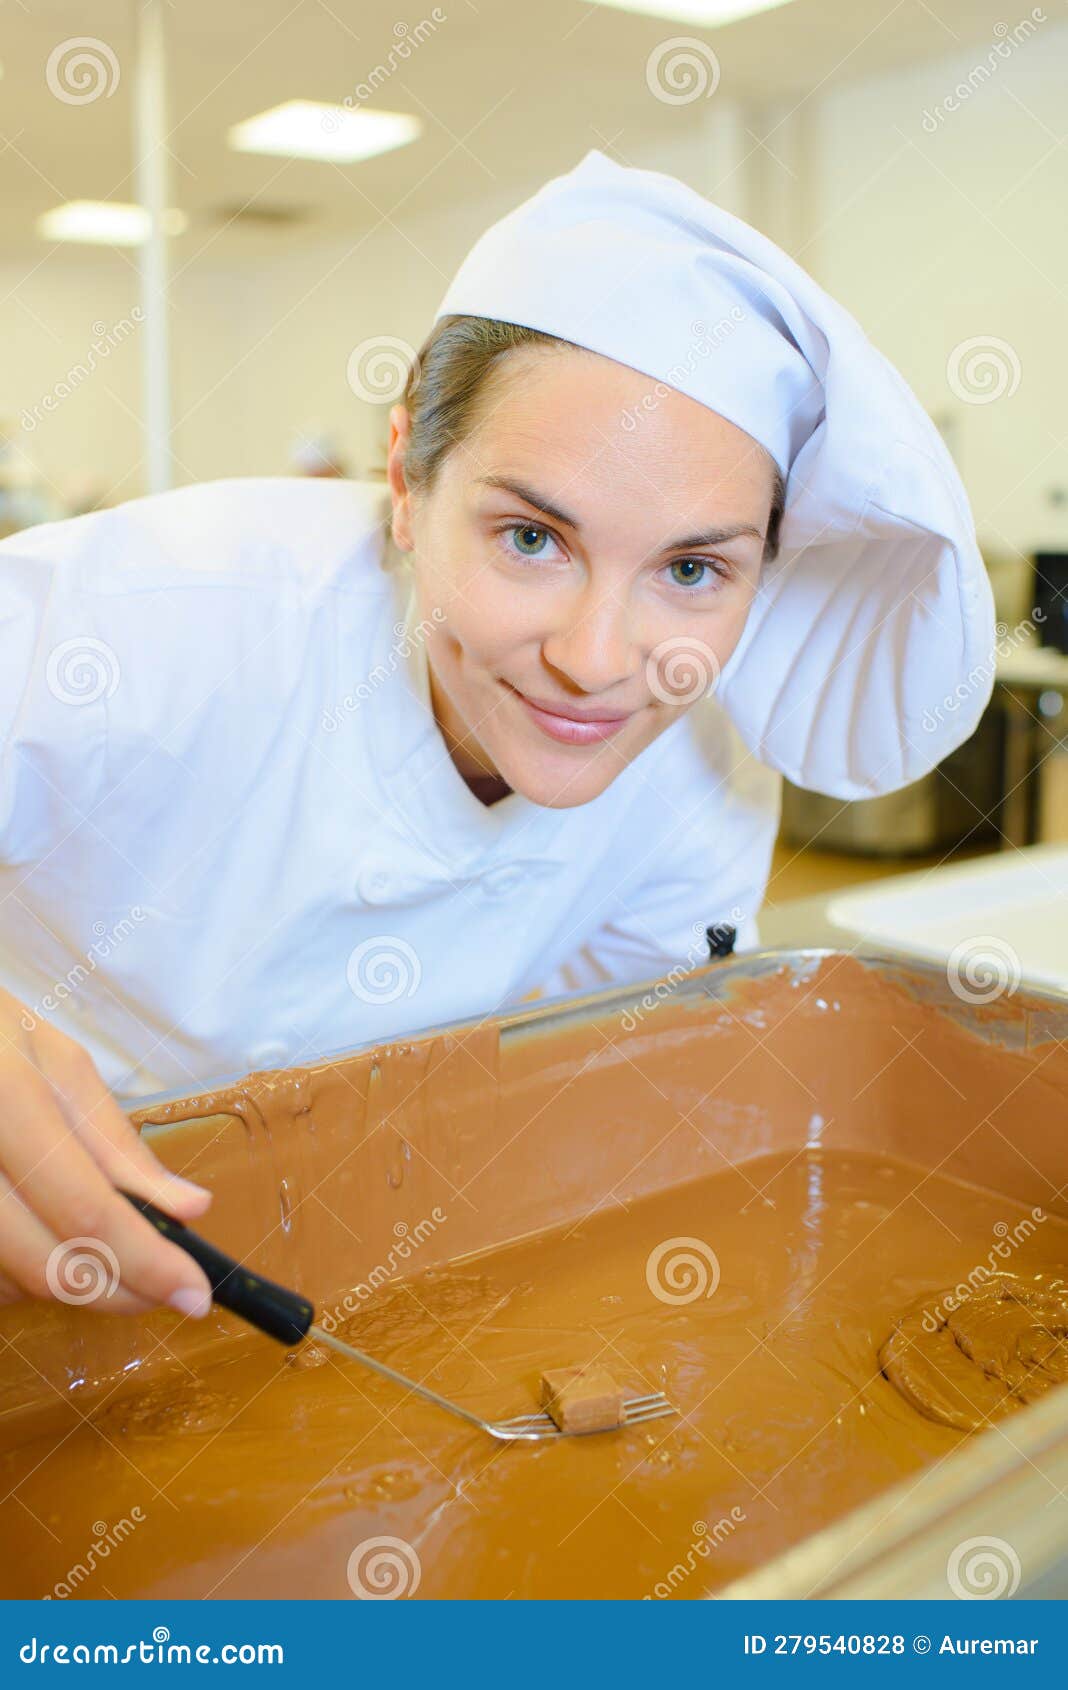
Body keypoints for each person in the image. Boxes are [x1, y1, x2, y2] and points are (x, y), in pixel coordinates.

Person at [0, 149, 995, 1321]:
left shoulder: (702, 785)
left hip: (363, 1259)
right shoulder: (152, 622)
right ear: (408, 474)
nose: (597, 657)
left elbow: (585, 1106)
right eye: (533, 539)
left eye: (691, 568)